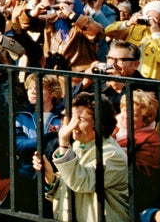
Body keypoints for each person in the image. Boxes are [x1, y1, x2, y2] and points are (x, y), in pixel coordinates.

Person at [33, 92, 129, 222]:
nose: (74, 126)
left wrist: (63, 142)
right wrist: (51, 178)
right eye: (72, 118)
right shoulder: (79, 145)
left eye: (81, 120)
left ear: (100, 123)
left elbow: (81, 181)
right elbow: (68, 190)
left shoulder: (113, 154)